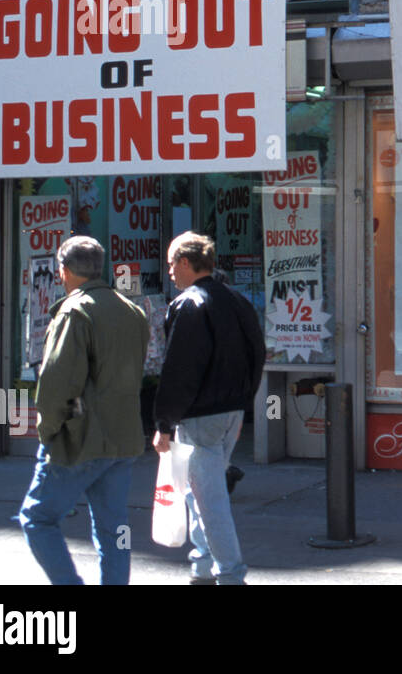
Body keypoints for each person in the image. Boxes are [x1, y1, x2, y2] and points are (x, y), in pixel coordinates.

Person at [18, 236, 150, 585]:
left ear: (63, 271)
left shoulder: (75, 312)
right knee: (114, 529)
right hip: (122, 438)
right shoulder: (131, 310)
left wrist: (49, 431)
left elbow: (58, 381)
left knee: (37, 518)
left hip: (82, 438)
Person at [153, 232, 266, 585]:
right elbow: (257, 353)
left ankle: (230, 574)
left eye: (172, 263)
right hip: (231, 410)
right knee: (201, 493)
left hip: (200, 414)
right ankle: (203, 564)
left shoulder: (189, 305)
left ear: (185, 263)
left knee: (208, 500)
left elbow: (179, 370)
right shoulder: (236, 300)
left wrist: (164, 423)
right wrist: (244, 398)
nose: (169, 271)